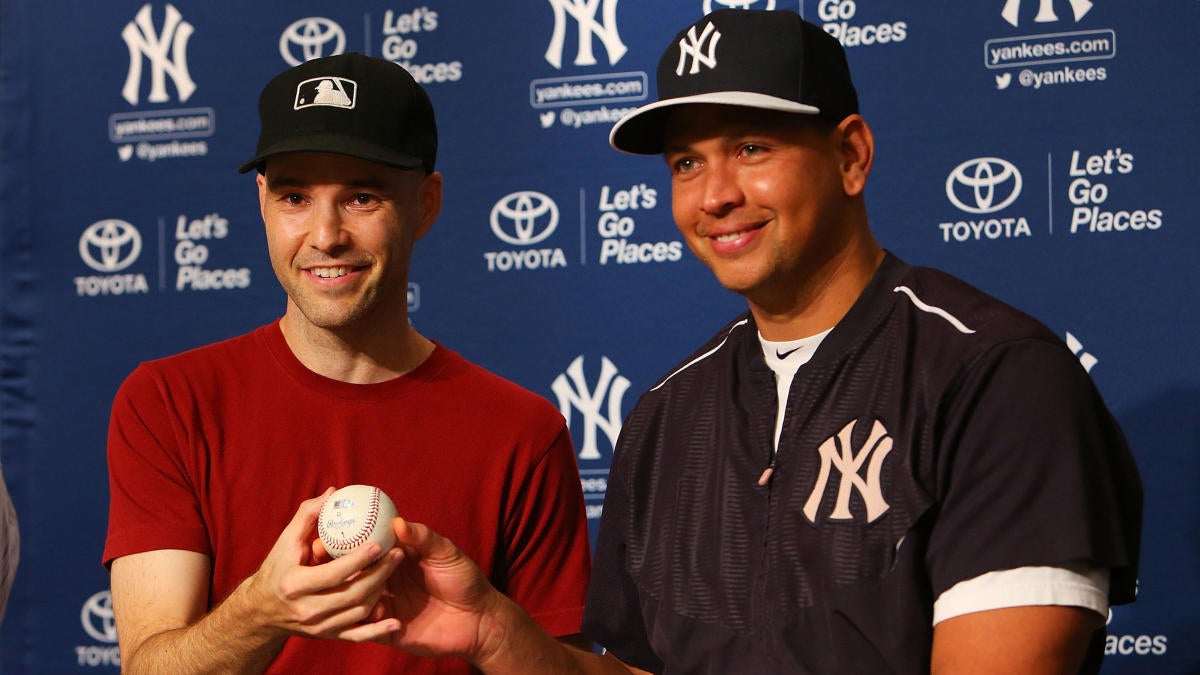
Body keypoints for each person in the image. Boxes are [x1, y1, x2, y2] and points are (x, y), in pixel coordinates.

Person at [362, 9, 1143, 674]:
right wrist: (501, 635)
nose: (716, 195)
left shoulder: (995, 377)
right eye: (687, 162)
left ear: (851, 155)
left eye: (751, 148)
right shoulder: (667, 414)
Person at [102, 52, 592, 674]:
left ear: (427, 203)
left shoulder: (522, 432)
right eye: (295, 197)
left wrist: (494, 634)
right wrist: (260, 612)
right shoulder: (168, 401)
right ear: (262, 201)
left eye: (361, 197)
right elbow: (148, 666)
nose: (325, 235)